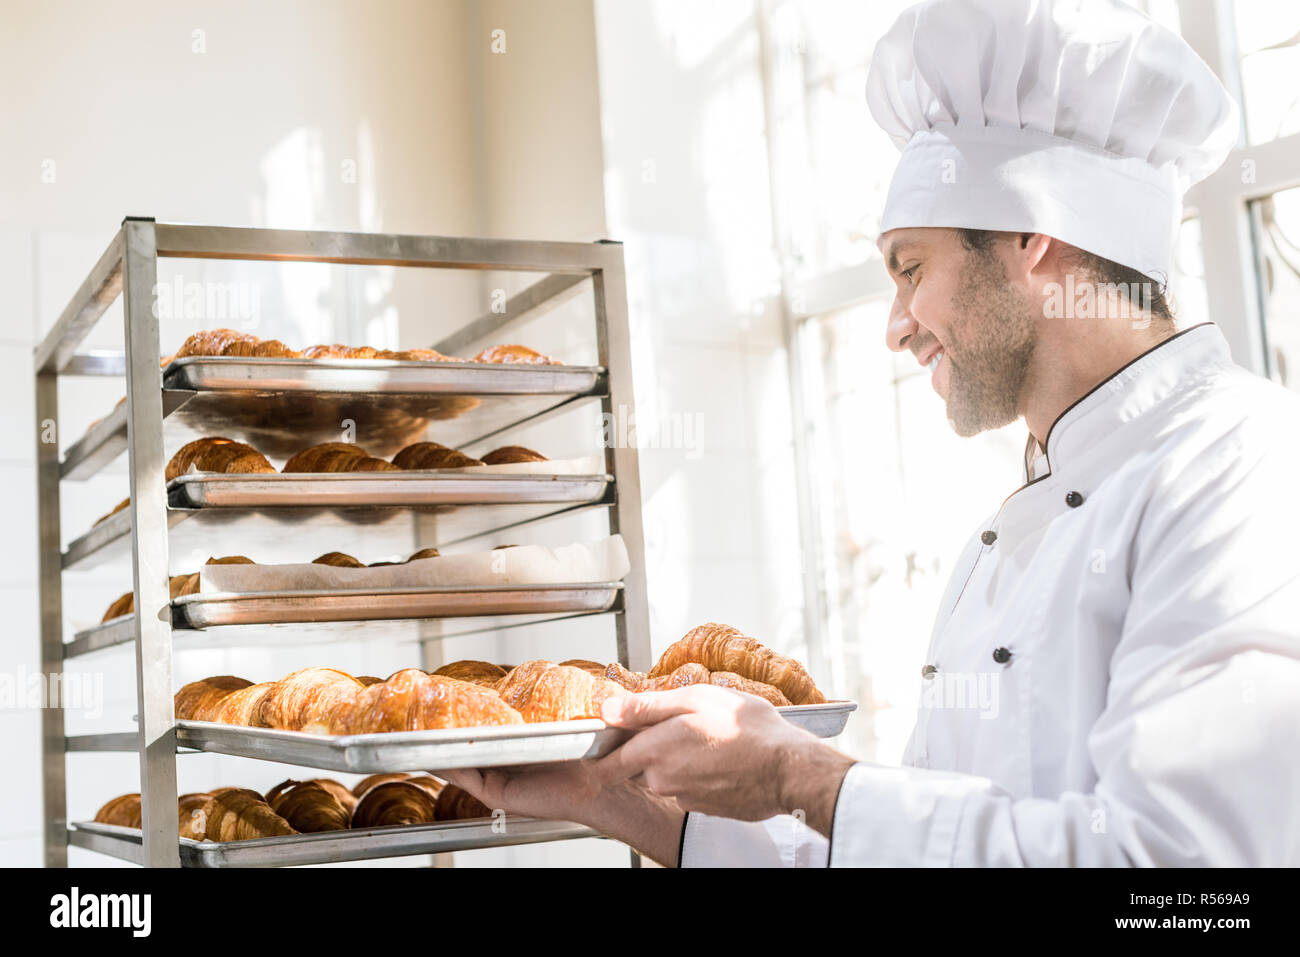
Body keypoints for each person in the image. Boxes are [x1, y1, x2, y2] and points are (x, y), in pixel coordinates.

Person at [442, 0, 1300, 866]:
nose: (896, 326)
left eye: (911, 268)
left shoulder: (1240, 464)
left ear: (1032, 236)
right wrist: (624, 807)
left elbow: (1192, 882)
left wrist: (802, 775)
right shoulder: (1007, 533)